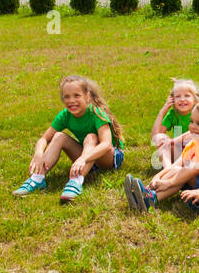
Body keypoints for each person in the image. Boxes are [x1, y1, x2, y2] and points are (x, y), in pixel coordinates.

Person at [14, 75, 126, 203]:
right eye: (66, 97)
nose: (71, 100)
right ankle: (37, 178)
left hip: (109, 158)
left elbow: (106, 145)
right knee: (58, 136)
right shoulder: (65, 115)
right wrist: (38, 154)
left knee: (91, 137)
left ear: (87, 96)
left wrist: (83, 158)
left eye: (76, 95)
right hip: (86, 158)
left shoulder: (96, 113)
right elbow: (43, 139)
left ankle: (75, 181)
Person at [125, 100, 199, 211]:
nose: (192, 126)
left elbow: (192, 171)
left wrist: (168, 183)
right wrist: (158, 177)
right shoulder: (195, 141)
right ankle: (147, 193)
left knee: (180, 174)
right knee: (178, 172)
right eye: (191, 121)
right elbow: (176, 164)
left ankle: (150, 198)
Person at [149, 78, 199, 171]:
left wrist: (172, 141)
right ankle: (169, 170)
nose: (182, 99)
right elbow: (155, 138)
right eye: (178, 96)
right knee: (161, 140)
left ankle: (170, 172)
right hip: (179, 153)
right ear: (172, 99)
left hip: (196, 153)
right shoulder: (172, 114)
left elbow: (194, 134)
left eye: (187, 96)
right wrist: (162, 111)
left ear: (195, 99)